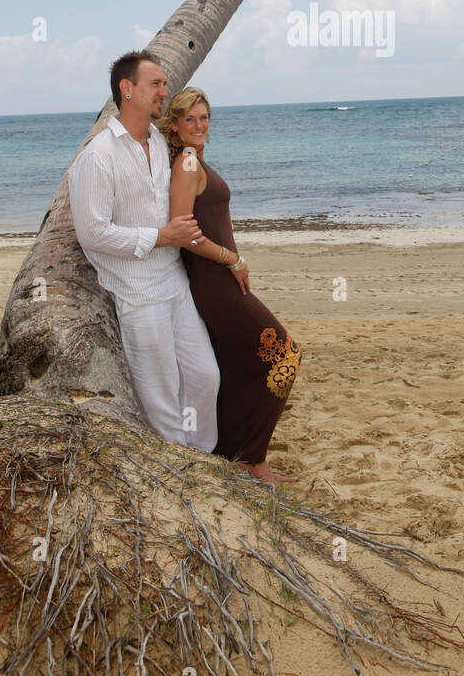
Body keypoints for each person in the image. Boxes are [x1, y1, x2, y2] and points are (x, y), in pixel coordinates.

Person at [68, 50, 220, 451]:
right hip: (137, 293)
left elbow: (187, 189)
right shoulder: (98, 156)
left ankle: (202, 457)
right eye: (156, 84)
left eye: (164, 85)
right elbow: (93, 233)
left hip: (176, 282)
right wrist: (161, 237)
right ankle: (180, 469)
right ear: (127, 89)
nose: (164, 92)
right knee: (161, 394)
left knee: (205, 377)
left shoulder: (158, 139)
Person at [160, 87, 301, 487]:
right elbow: (184, 231)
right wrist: (231, 258)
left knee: (240, 367)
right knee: (286, 355)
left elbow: (203, 215)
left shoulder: (194, 160)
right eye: (190, 119)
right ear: (175, 125)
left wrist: (223, 223)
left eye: (204, 118)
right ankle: (251, 460)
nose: (199, 125)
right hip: (215, 284)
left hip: (220, 280)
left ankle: (234, 456)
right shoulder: (187, 162)